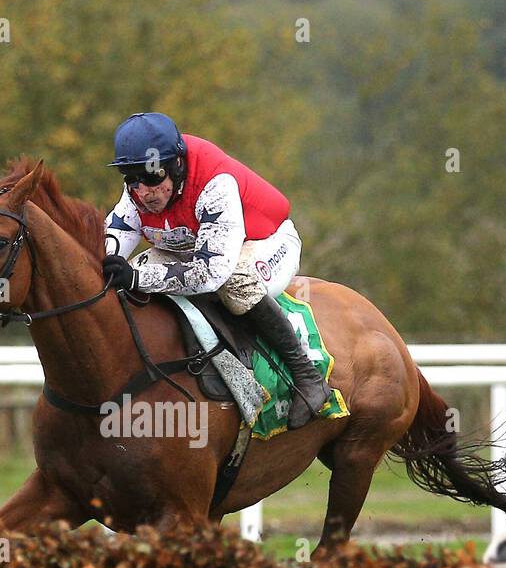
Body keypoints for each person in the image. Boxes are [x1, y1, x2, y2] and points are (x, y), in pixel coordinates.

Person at [100, 112, 332, 429]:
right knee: (129, 275)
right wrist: (108, 264)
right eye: (132, 180)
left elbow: (212, 274)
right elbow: (112, 241)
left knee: (233, 283)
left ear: (178, 164)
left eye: (153, 178)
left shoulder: (215, 182)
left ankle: (306, 374)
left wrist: (137, 278)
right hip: (197, 246)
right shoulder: (142, 186)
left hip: (265, 242)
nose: (144, 193)